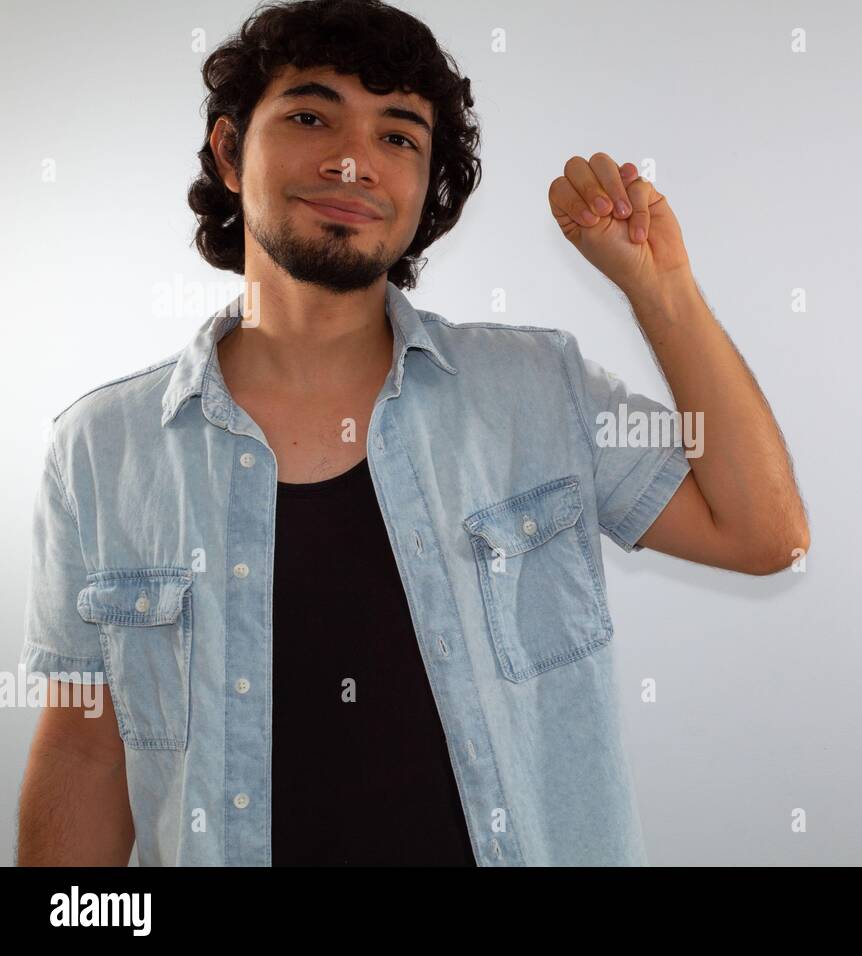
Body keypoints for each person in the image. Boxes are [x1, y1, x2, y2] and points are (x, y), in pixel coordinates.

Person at [16, 0, 809, 866]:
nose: (353, 159)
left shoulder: (536, 391)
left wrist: (663, 290)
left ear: (426, 186)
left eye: (397, 137)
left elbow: (765, 533)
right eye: (311, 116)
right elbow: (87, 749)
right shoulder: (100, 452)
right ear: (229, 152)